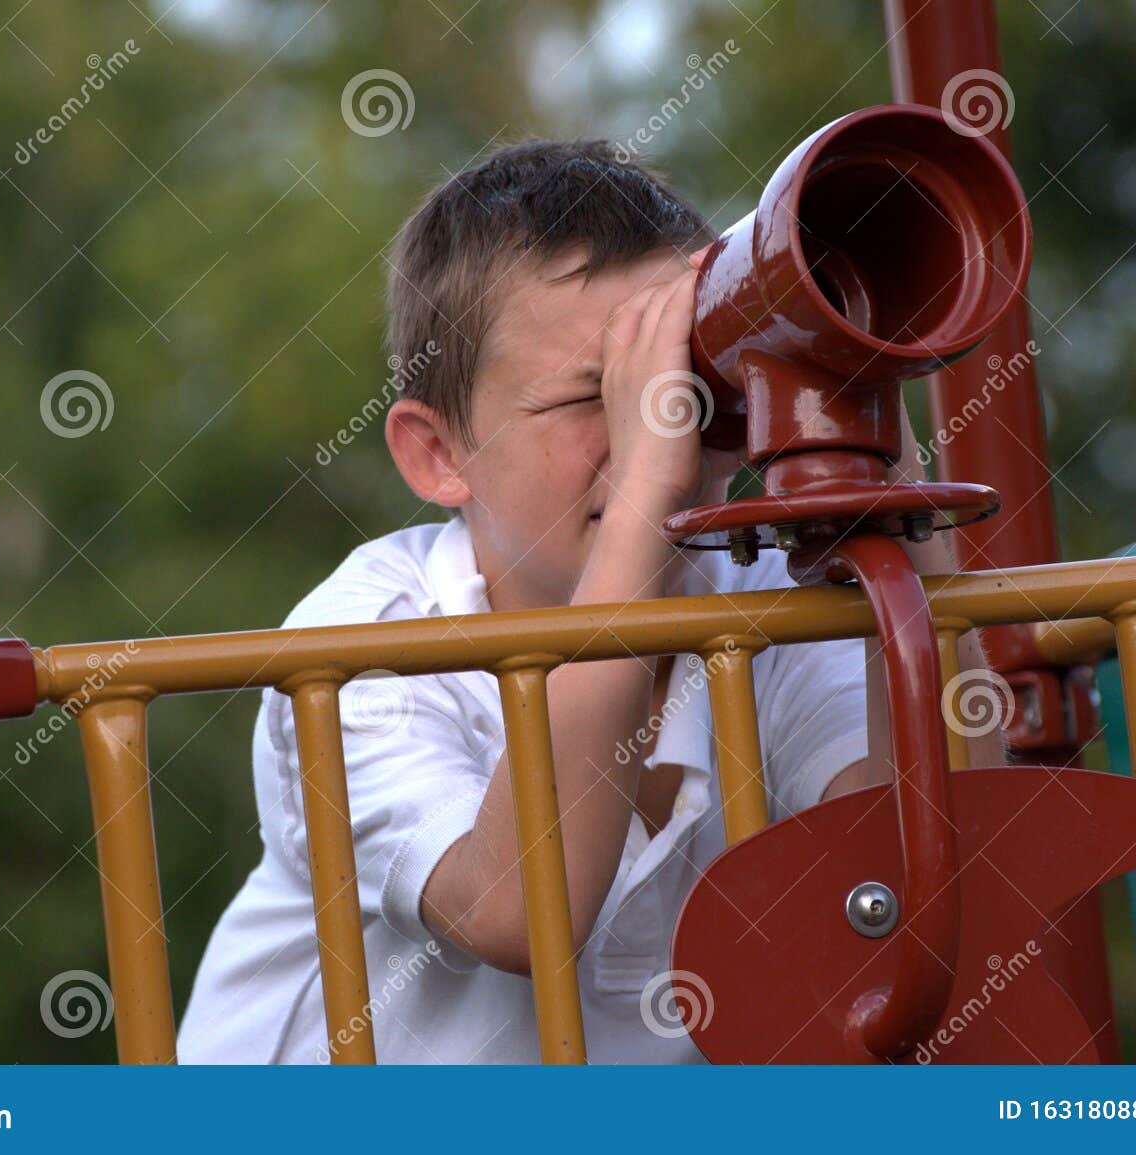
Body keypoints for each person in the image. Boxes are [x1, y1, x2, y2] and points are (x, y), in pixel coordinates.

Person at [178, 138, 997, 1064]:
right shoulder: (359, 644)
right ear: (438, 453)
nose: (663, 430)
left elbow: (926, 848)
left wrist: (885, 481)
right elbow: (517, 909)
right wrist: (646, 492)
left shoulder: (763, 592)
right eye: (593, 397)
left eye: (686, 384)